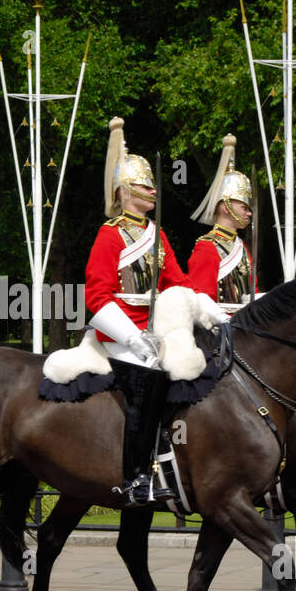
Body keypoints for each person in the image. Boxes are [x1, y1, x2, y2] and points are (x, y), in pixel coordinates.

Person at [84, 117, 191, 508]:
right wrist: (131, 336)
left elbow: (178, 283)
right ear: (127, 191)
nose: (154, 190)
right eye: (147, 185)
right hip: (119, 333)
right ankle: (136, 476)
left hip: (155, 330)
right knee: (148, 381)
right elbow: (96, 296)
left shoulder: (157, 234)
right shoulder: (109, 235)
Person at [188, 133, 256, 312]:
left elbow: (252, 290)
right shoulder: (207, 247)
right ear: (226, 207)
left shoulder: (241, 246)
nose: (249, 213)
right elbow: (201, 300)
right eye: (244, 207)